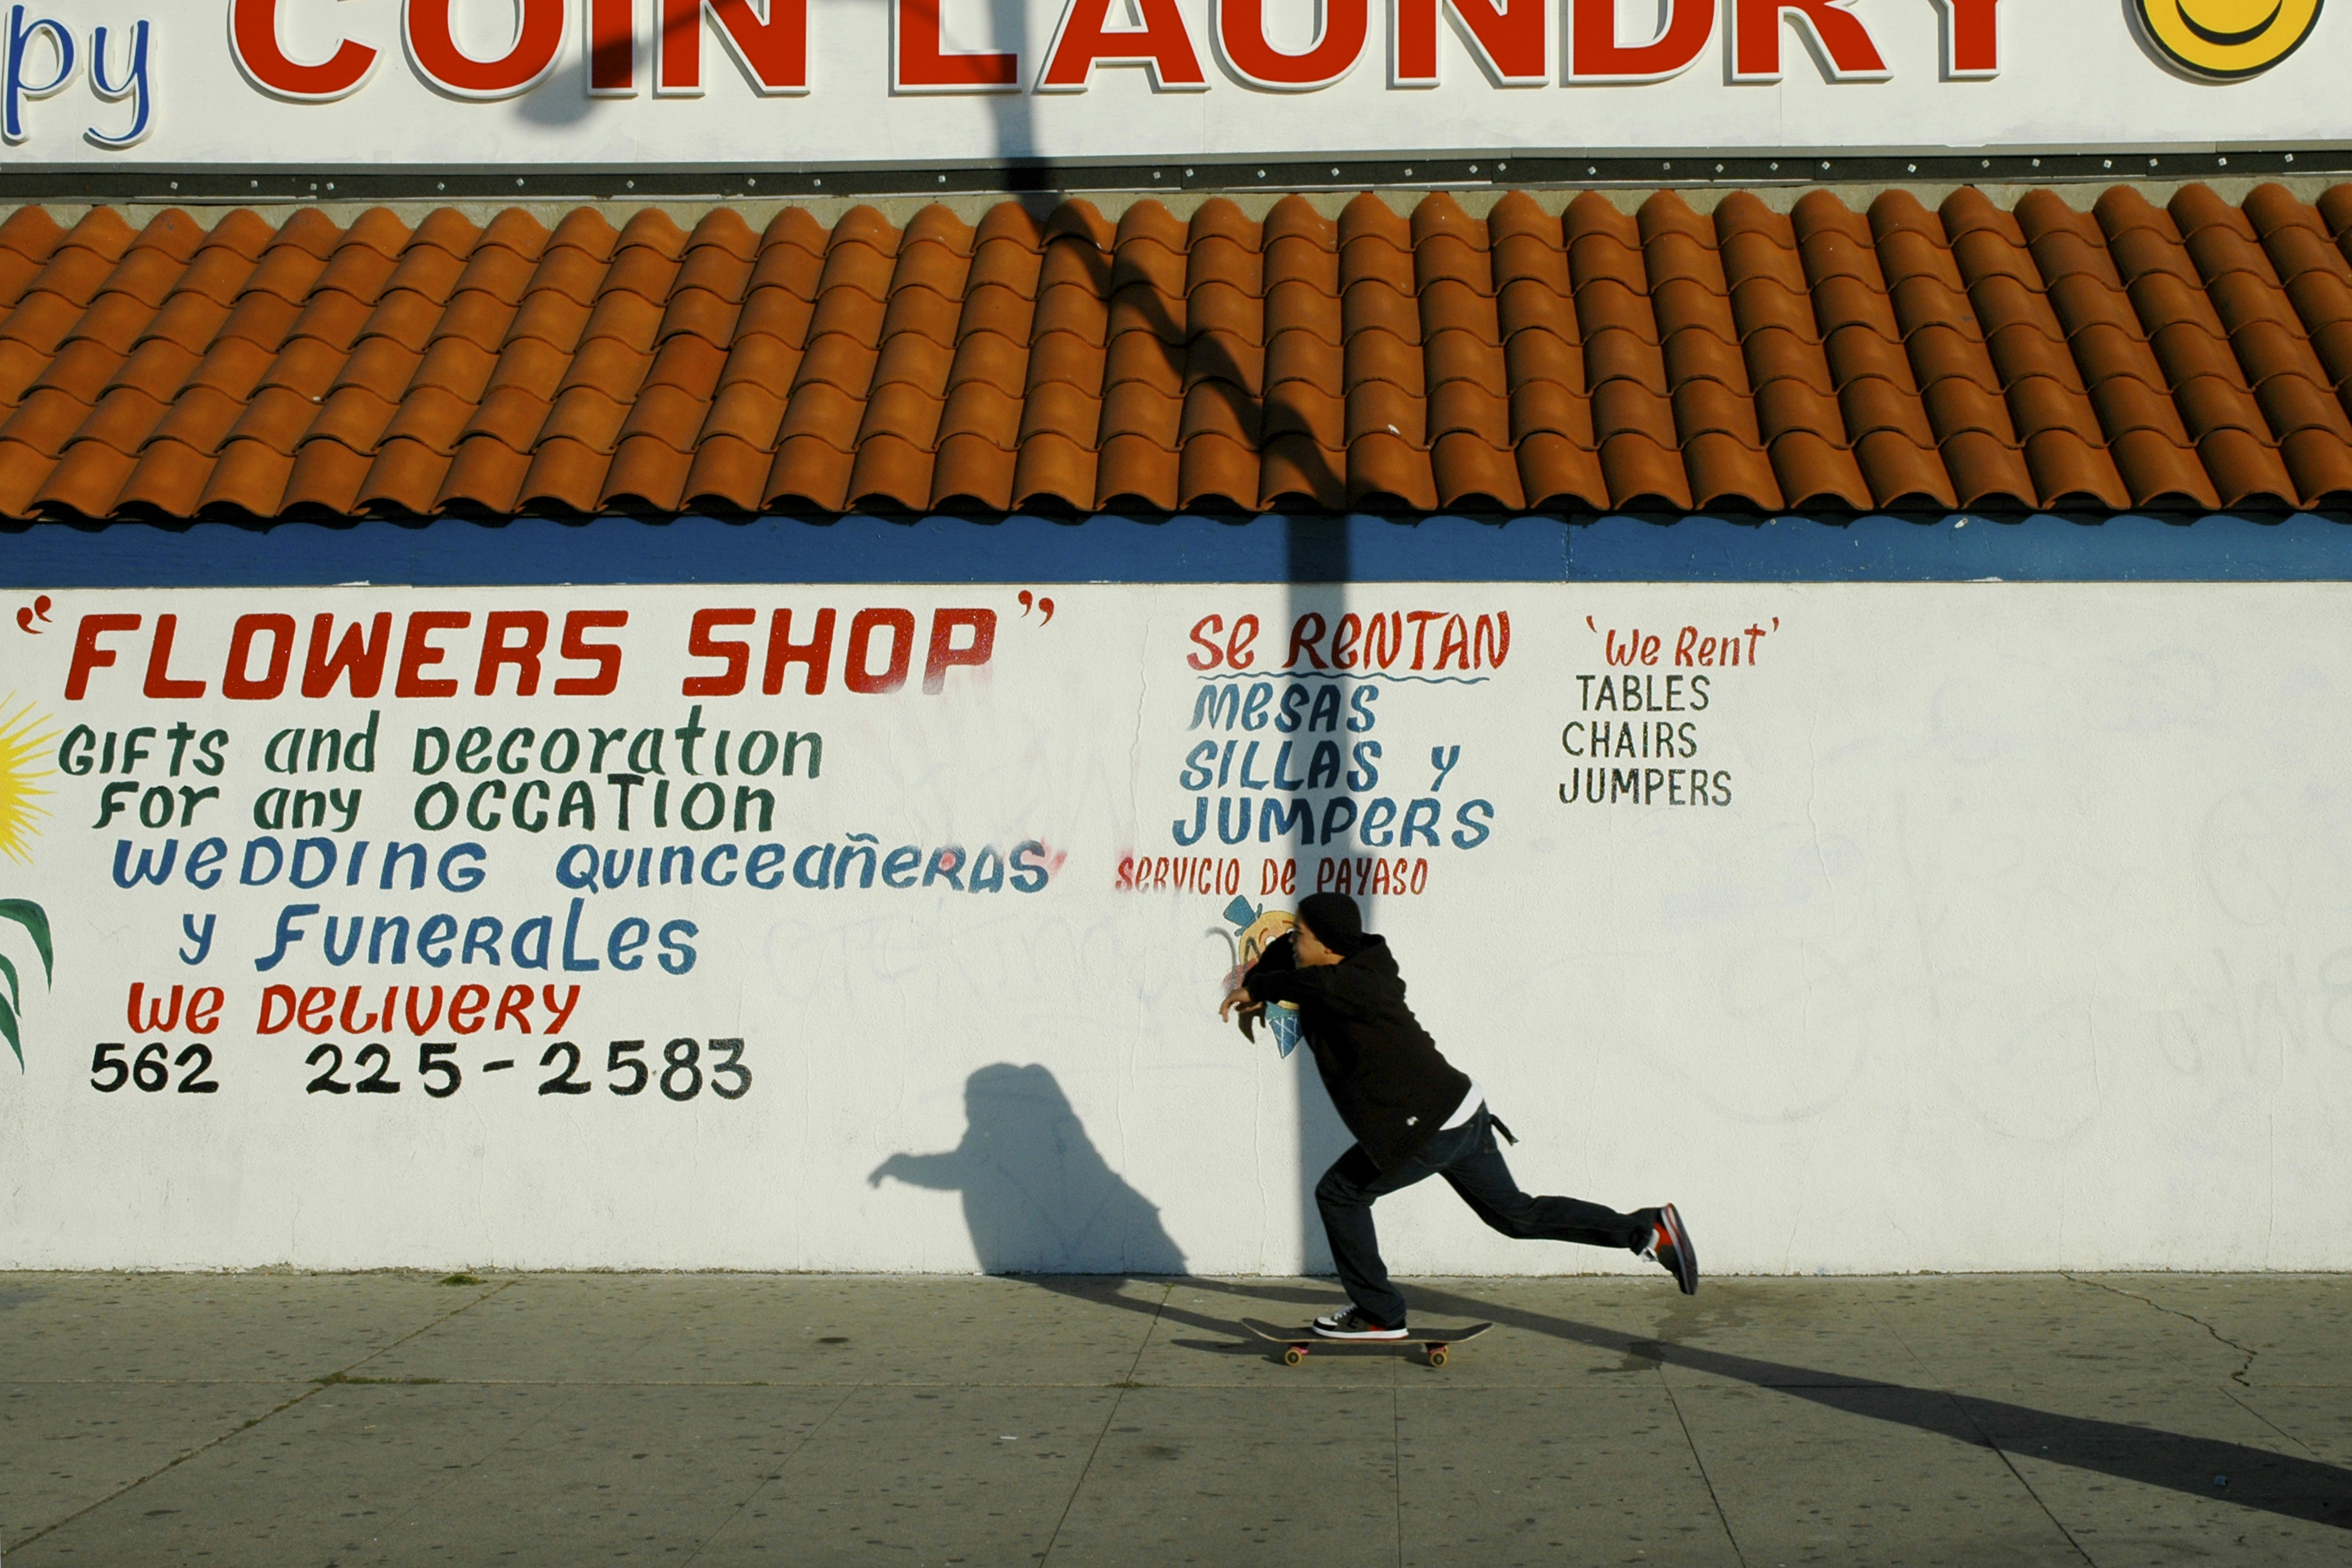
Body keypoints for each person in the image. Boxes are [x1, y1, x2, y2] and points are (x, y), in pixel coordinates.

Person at [1219, 891, 1697, 1339]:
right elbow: (1294, 962)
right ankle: (1646, 1229)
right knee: (1515, 1216)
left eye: (1301, 934)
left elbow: (1307, 981)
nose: (1291, 940)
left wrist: (1256, 985)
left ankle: (1377, 1314)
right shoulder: (1359, 963)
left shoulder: (1352, 986)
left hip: (1424, 1128)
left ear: (1327, 945)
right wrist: (1263, 978)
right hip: (1458, 1111)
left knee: (1339, 1195)